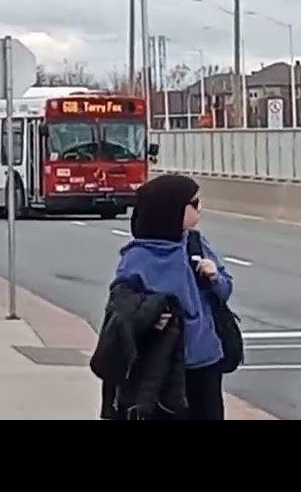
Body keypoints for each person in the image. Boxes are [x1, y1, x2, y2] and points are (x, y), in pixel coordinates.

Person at [91, 173, 235, 420]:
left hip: (206, 362)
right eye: (195, 204)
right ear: (172, 209)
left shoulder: (196, 244)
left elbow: (224, 290)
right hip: (163, 370)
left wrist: (214, 278)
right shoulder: (138, 258)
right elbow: (123, 310)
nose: (200, 210)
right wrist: (150, 317)